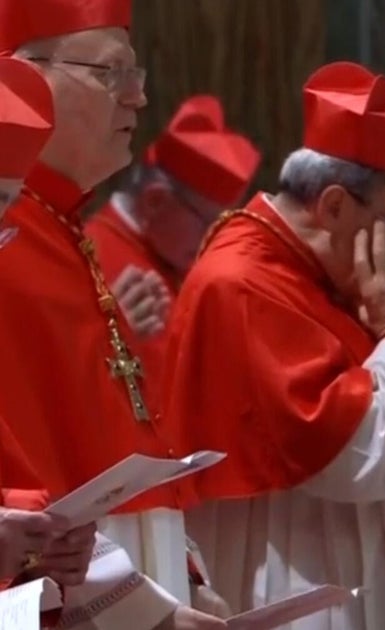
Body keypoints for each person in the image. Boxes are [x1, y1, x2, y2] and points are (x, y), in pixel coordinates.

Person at [159, 61, 385, 629]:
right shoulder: (243, 281)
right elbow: (348, 454)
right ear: (333, 207)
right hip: (303, 578)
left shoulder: (329, 274)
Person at [0, 0, 225, 622]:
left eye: (137, 76)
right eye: (110, 74)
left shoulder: (64, 227)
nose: (137, 100)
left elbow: (122, 439)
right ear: (23, 75)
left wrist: (185, 573)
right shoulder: (10, 239)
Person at [85, 94, 260, 406]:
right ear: (155, 201)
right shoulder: (93, 261)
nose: (215, 242)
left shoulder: (174, 258)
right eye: (208, 223)